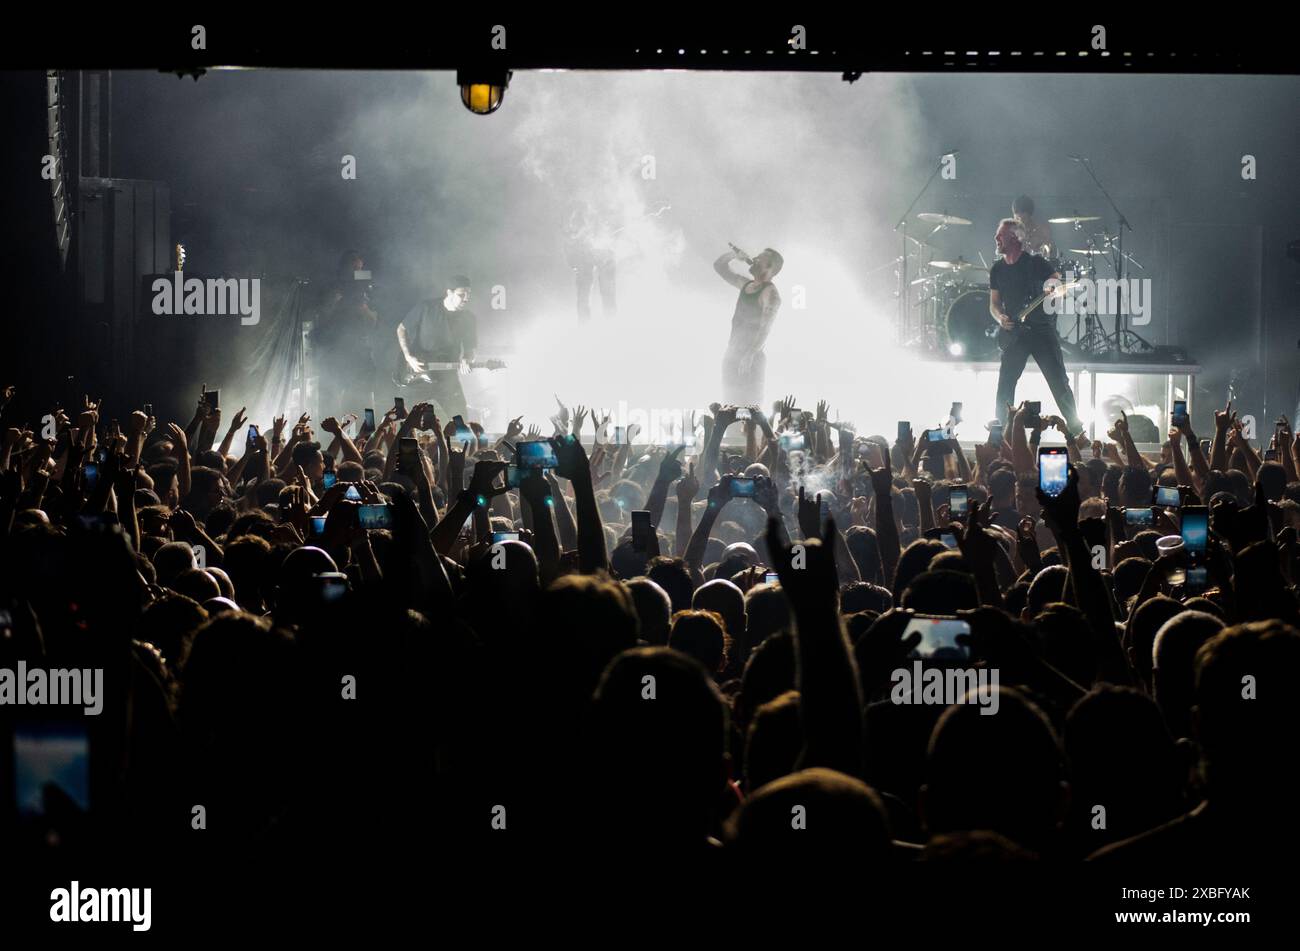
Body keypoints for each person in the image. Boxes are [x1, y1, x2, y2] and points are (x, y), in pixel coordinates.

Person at [988, 219, 1083, 437]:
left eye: (1000, 235)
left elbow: (1058, 287)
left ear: (1014, 238)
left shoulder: (1036, 263)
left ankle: (1077, 429)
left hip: (1041, 331)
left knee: (1058, 380)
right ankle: (1000, 431)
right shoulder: (997, 269)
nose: (996, 239)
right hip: (1015, 334)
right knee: (1005, 383)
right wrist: (1000, 317)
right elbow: (993, 304)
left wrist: (1053, 289)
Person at [395, 274, 478, 419]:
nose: (466, 298)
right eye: (461, 294)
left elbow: (471, 348)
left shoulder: (468, 319)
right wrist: (408, 357)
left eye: (468, 294)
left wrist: (467, 359)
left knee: (461, 421)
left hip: (447, 378)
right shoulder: (426, 308)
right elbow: (402, 329)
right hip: (418, 374)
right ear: (449, 292)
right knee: (406, 422)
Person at [714, 245, 783, 407]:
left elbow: (766, 327)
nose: (755, 258)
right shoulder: (746, 285)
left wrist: (750, 354)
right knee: (728, 405)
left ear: (769, 267)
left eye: (761, 258)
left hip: (750, 357)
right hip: (733, 352)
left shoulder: (770, 294)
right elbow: (719, 267)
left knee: (747, 410)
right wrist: (733, 254)